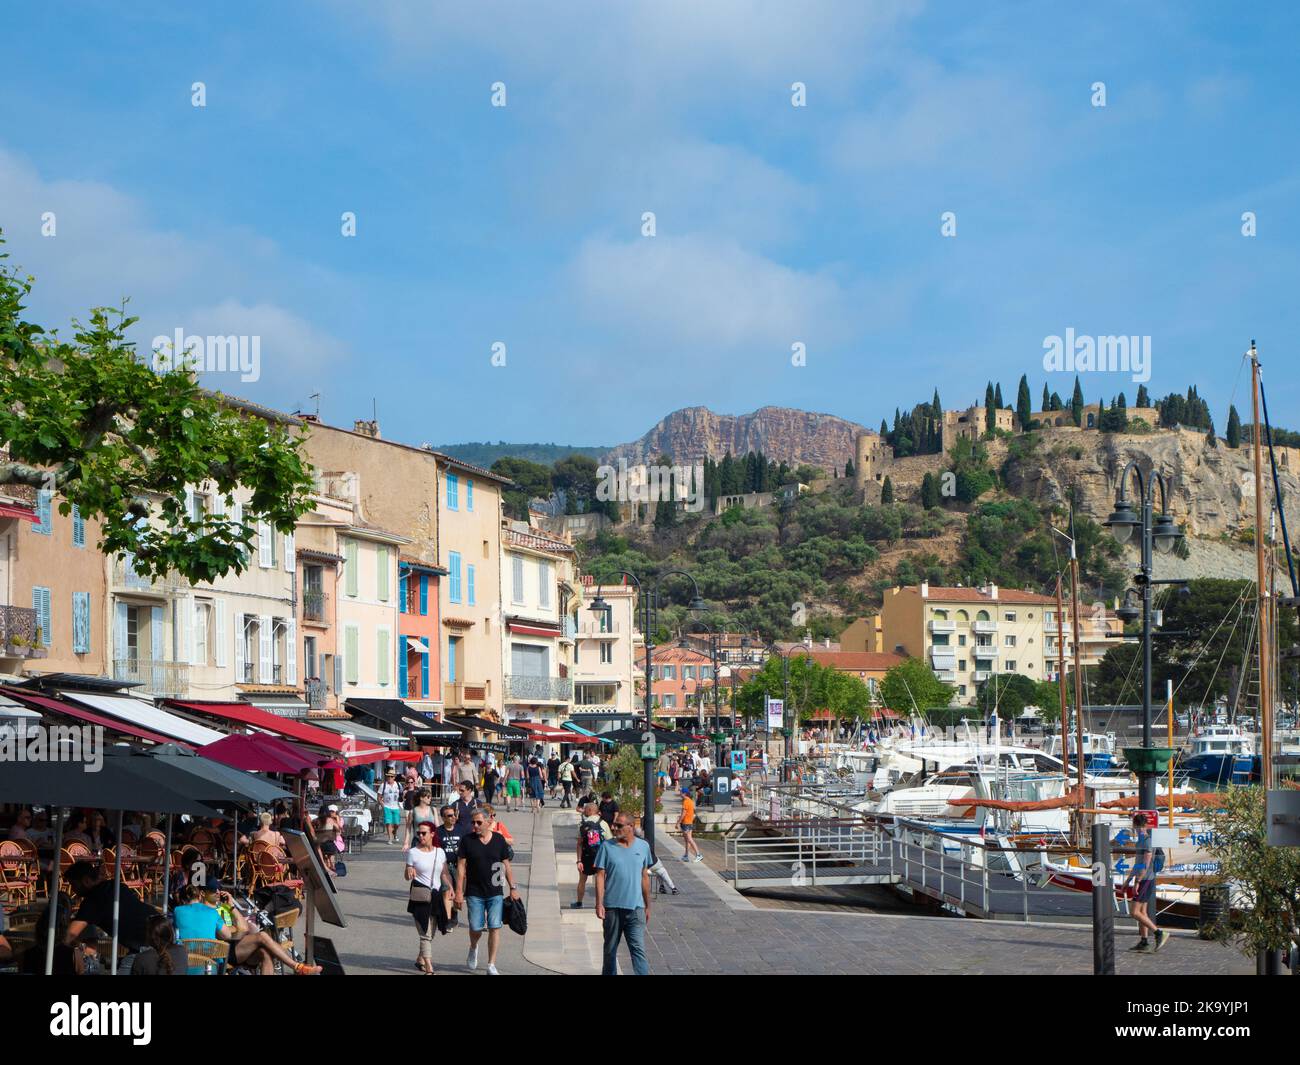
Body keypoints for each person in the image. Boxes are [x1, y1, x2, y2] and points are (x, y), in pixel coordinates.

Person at [174, 883, 320, 974]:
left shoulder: (177, 912)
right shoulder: (211, 912)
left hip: (191, 957)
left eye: (218, 890)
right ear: (201, 895)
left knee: (265, 952)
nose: (217, 893)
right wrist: (231, 909)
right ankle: (298, 967)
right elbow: (236, 932)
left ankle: (299, 967)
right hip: (217, 956)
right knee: (262, 938)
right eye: (215, 891)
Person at [455, 809, 520, 976]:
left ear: (487, 822)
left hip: (495, 891)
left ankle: (491, 964)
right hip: (474, 891)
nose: (475, 826)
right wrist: (459, 892)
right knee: (476, 927)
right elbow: (461, 868)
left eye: (478, 822)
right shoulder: (467, 841)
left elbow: (506, 865)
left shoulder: (498, 840)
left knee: (494, 927)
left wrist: (513, 888)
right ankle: (473, 946)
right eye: (473, 823)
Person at [595, 813, 653, 976]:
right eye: (614, 824)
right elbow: (600, 875)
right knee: (610, 951)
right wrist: (599, 904)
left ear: (631, 827)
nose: (614, 828)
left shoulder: (643, 847)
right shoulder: (606, 846)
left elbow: (644, 876)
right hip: (612, 909)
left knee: (638, 950)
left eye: (619, 825)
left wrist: (648, 905)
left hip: (636, 909)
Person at [64, 860, 160, 954]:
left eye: (74, 885)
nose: (73, 890)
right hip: (160, 925)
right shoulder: (116, 885)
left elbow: (69, 936)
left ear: (86, 881)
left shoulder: (93, 900)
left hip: (145, 943)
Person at [406, 819, 455, 974]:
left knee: (431, 933)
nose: (420, 835)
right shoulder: (413, 852)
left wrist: (451, 888)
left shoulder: (439, 852)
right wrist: (409, 872)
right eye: (419, 833)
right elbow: (407, 875)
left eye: (424, 833)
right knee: (425, 934)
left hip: (436, 896)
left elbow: (444, 872)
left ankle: (420, 958)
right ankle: (429, 968)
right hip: (420, 896)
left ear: (432, 834)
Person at [1122, 814, 1168, 953]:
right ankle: (1144, 942)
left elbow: (1146, 864)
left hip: (1146, 880)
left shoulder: (1147, 841)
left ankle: (1159, 933)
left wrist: (1138, 881)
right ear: (1146, 824)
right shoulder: (1141, 841)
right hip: (1145, 879)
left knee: (1134, 912)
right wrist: (1128, 880)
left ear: (1135, 825)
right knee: (1142, 912)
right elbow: (1137, 864)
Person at [571, 801, 612, 909]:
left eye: (585, 809)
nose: (584, 811)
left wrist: (579, 860)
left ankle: (579, 903)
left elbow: (579, 844)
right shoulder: (603, 823)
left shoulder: (582, 824)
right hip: (600, 856)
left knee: (582, 880)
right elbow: (610, 842)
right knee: (601, 879)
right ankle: (601, 904)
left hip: (586, 857)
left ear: (590, 810)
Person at [634, 823, 678, 896]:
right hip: (653, 862)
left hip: (643, 867)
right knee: (662, 871)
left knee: (658, 871)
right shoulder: (646, 841)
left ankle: (662, 887)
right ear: (641, 833)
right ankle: (673, 888)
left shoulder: (633, 842)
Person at [380, 768, 404, 845]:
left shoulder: (398, 785)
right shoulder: (383, 785)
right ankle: (390, 838)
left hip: (396, 806)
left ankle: (395, 832)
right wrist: (383, 805)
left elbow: (402, 794)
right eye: (388, 776)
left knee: (397, 824)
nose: (390, 778)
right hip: (387, 806)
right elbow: (379, 797)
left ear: (394, 777)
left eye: (391, 776)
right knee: (388, 823)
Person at [678, 787, 702, 862]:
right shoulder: (691, 801)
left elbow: (683, 814)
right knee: (687, 840)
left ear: (684, 793)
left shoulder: (685, 802)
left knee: (689, 839)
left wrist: (678, 822)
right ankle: (686, 855)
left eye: (681, 792)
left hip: (685, 823)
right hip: (690, 822)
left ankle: (698, 854)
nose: (680, 793)